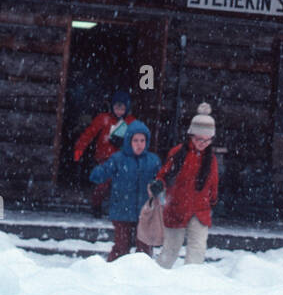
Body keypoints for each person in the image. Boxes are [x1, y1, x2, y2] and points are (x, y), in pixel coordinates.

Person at [153, 103, 219, 268]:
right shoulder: (178, 153)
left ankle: (191, 283)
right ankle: (157, 279)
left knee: (197, 250)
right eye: (198, 139)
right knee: (170, 250)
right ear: (191, 135)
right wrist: (159, 185)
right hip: (176, 208)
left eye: (207, 140)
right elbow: (163, 175)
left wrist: (212, 200)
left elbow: (213, 184)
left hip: (200, 210)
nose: (202, 143)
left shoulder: (211, 160)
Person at [89, 118, 161, 261]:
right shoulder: (118, 159)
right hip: (122, 209)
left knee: (144, 249)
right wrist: (98, 173)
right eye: (135, 141)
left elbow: (161, 178)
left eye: (142, 141)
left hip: (144, 212)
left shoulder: (153, 161)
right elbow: (103, 172)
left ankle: (142, 276)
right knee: (121, 247)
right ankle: (113, 273)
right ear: (129, 141)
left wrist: (159, 185)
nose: (139, 144)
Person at [74, 90, 136, 214]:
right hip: (105, 159)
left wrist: (124, 144)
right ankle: (96, 206)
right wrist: (79, 149)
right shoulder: (104, 119)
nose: (119, 111)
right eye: (116, 107)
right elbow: (89, 134)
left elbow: (139, 139)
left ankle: (119, 208)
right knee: (103, 184)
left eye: (122, 108)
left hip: (123, 160)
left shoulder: (131, 122)